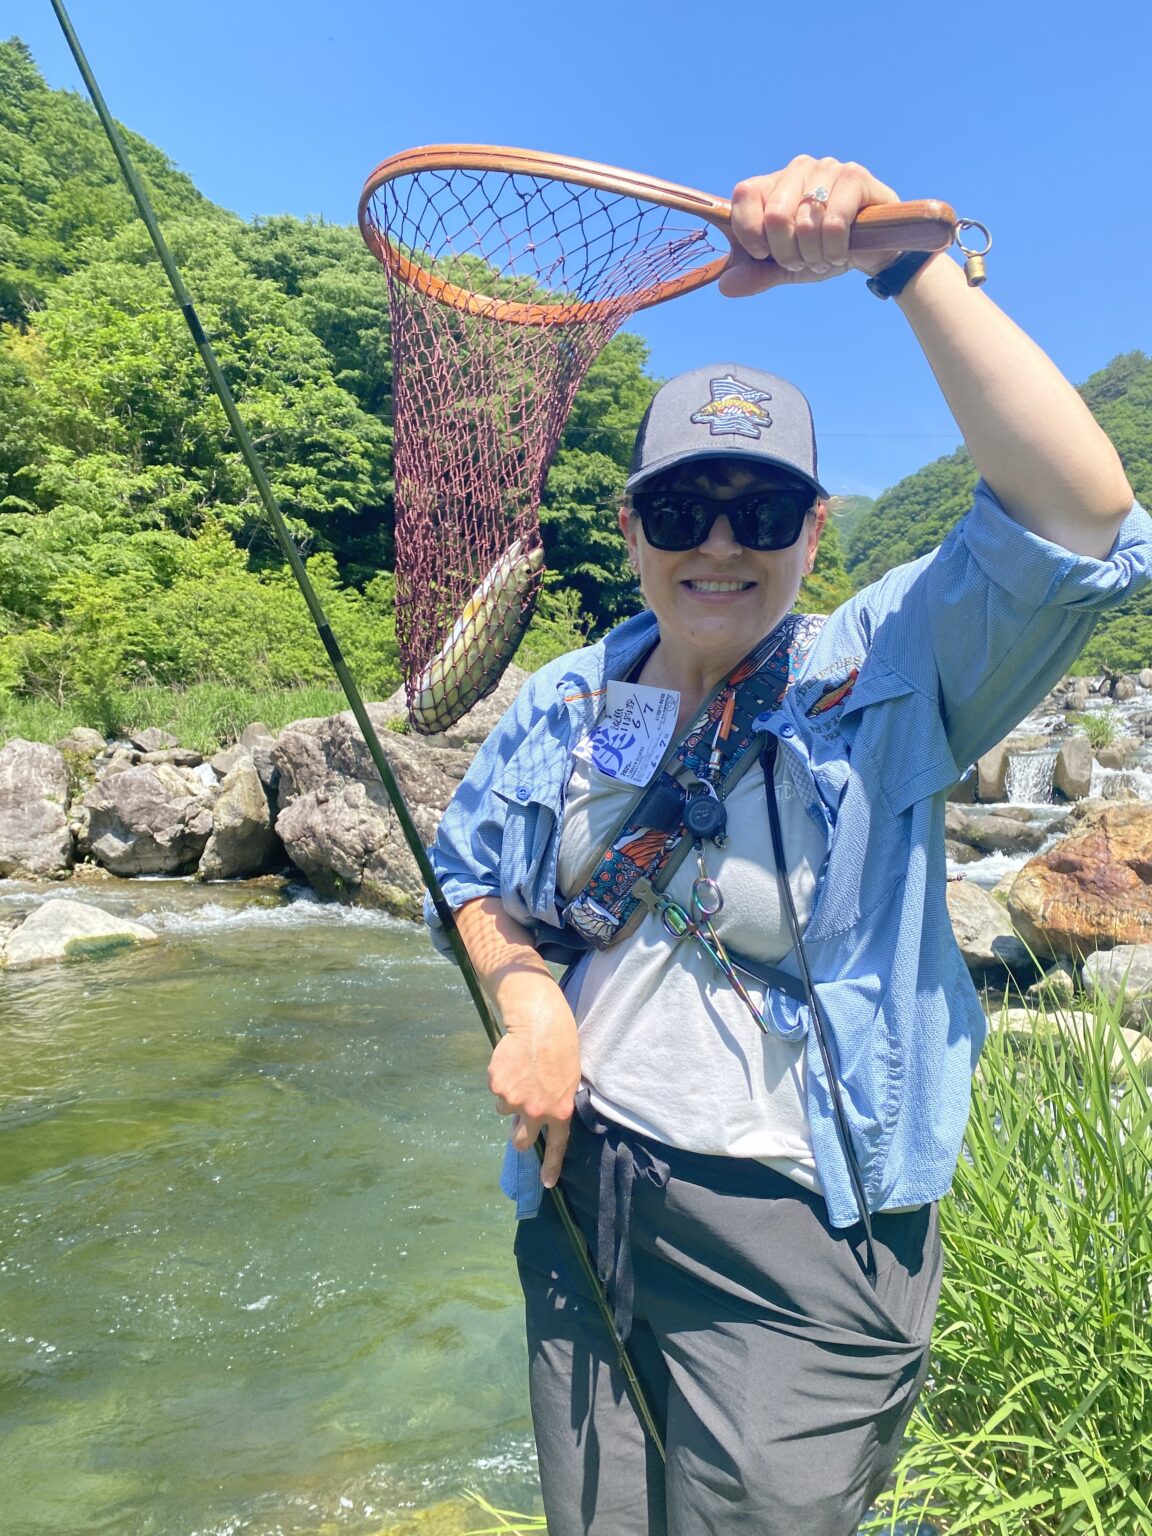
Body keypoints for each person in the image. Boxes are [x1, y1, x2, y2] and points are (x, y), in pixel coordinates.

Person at [424, 154, 1150, 1535]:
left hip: (802, 1237)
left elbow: (1080, 520)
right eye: (680, 511)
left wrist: (905, 261)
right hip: (581, 1190)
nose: (719, 545)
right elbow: (467, 875)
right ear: (631, 528)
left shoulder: (883, 669)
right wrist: (529, 1002)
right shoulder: (567, 698)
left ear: (814, 532)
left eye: (759, 513)